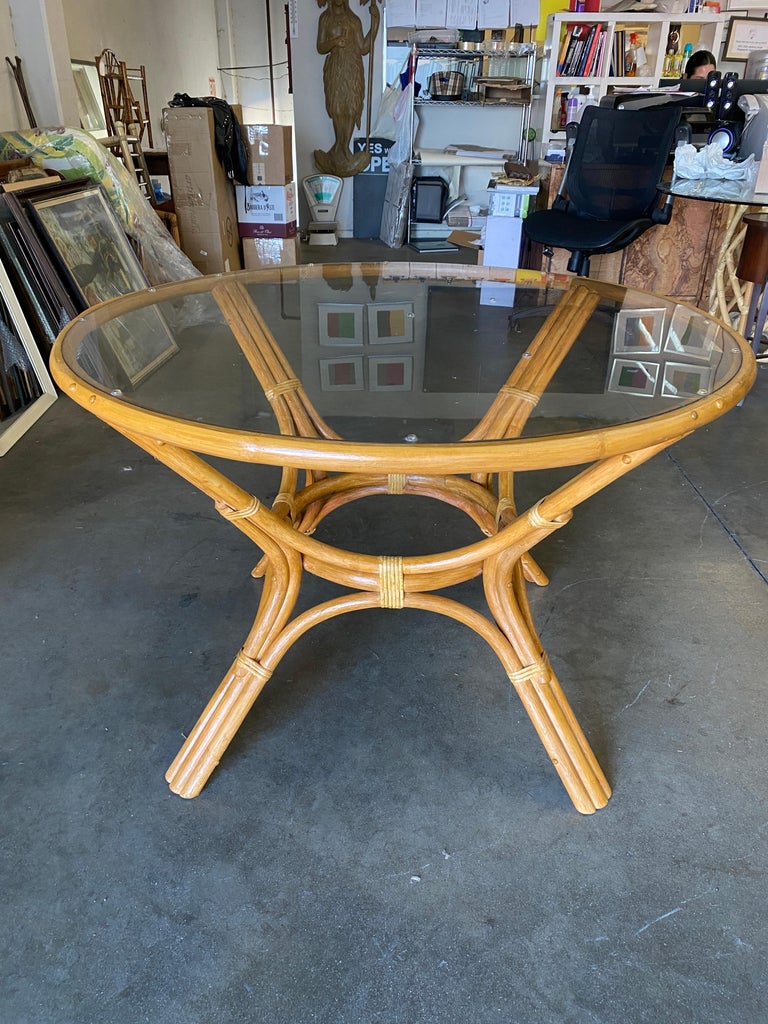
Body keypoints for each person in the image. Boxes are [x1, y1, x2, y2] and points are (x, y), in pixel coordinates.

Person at [314, 0, 380, 176]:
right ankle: (338, 149)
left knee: (351, 109)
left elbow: (364, 48)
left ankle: (343, 150)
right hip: (336, 67)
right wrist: (335, 41)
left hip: (352, 67)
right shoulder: (325, 18)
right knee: (337, 108)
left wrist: (375, 24)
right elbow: (320, 47)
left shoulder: (353, 19)